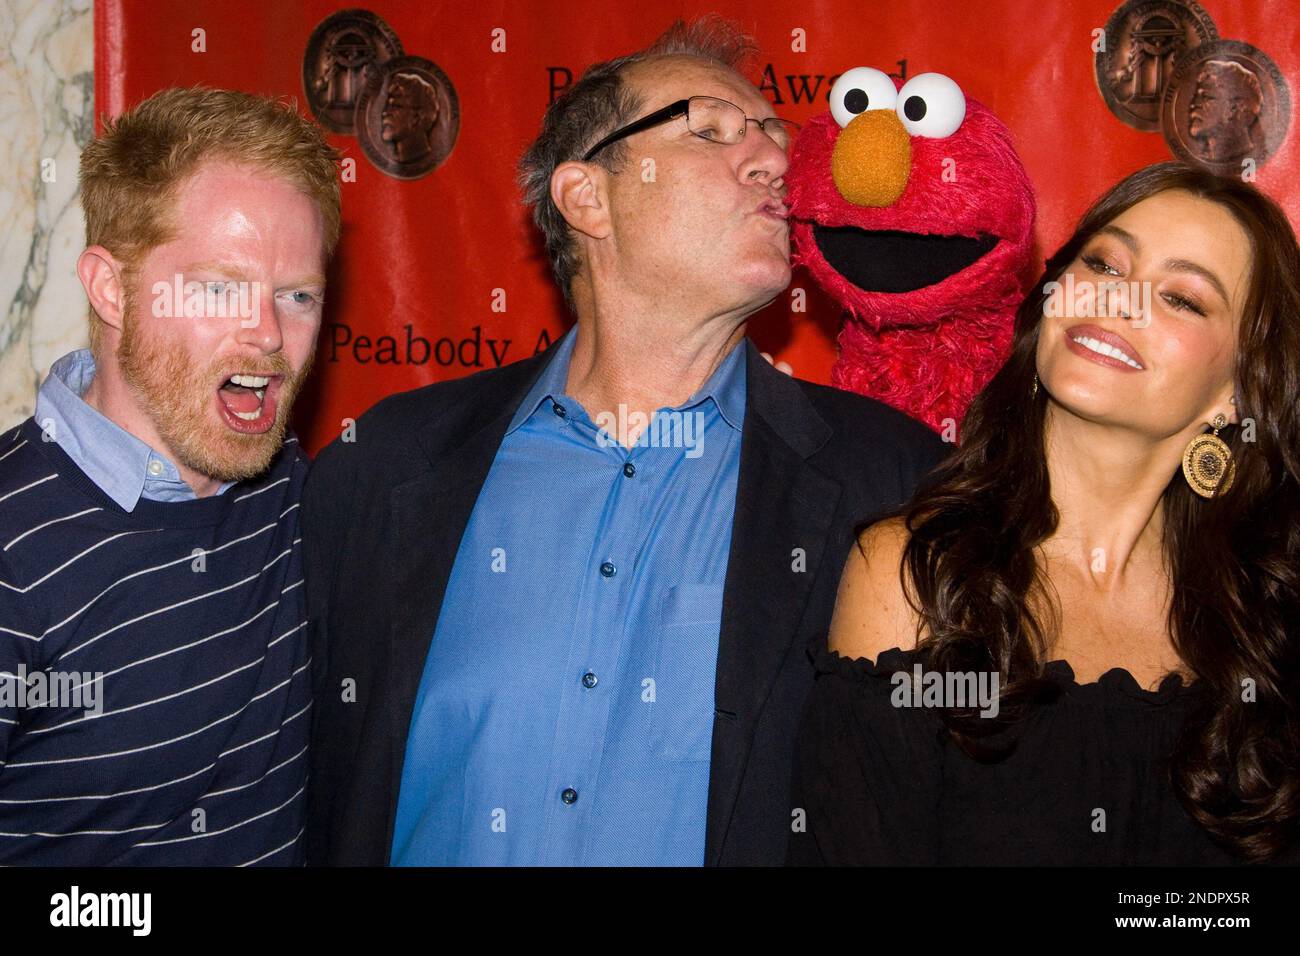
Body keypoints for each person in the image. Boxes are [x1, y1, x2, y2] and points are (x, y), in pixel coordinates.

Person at [301, 16, 947, 866]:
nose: (773, 162)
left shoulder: (893, 484)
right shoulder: (385, 465)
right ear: (587, 198)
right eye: (710, 130)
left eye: (775, 137)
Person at [788, 161, 1300, 865]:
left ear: (1236, 392)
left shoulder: (1265, 622)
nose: (1119, 299)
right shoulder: (918, 575)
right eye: (1104, 264)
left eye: (1182, 298)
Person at [0, 87, 340, 864]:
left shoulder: (295, 494)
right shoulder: (12, 551)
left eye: (296, 295)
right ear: (110, 289)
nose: (267, 334)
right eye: (219, 288)